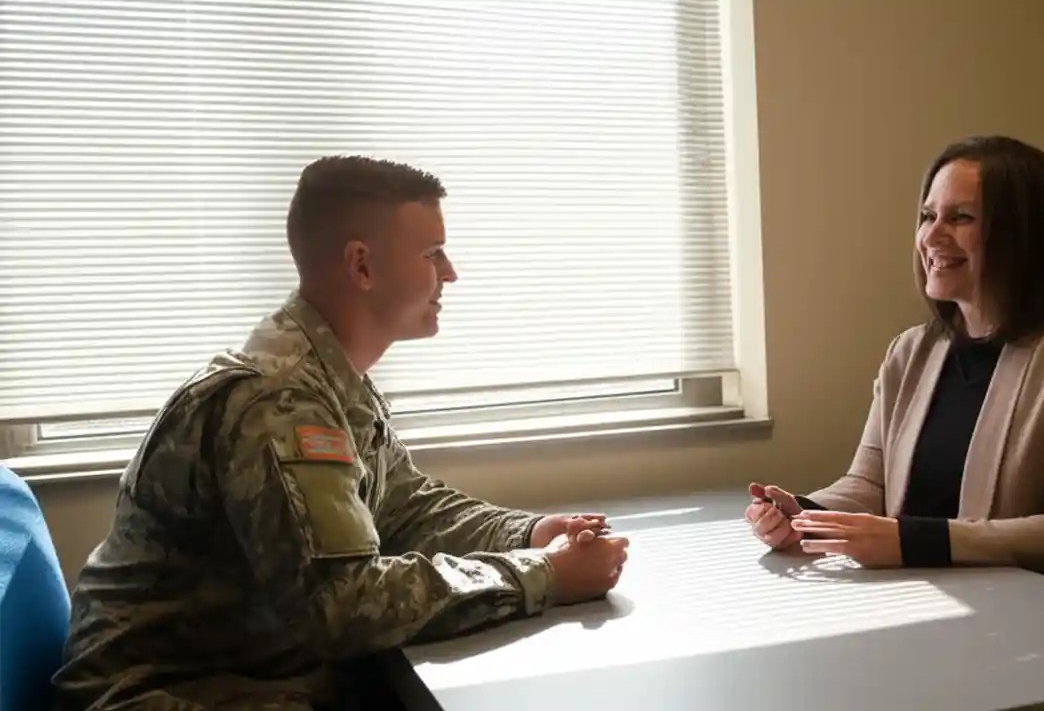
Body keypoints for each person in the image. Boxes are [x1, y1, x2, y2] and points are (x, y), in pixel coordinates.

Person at [54, 156, 631, 710]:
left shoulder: (327, 374)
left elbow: (402, 507)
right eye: (433, 253)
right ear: (361, 266)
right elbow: (345, 604)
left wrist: (525, 533)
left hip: (256, 677)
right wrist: (545, 576)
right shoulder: (278, 399)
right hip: (169, 693)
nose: (450, 272)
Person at [745, 135, 1044, 591]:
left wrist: (913, 540)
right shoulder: (911, 351)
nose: (931, 236)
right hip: (949, 599)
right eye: (928, 216)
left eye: (960, 218)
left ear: (1024, 235)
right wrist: (804, 517)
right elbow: (870, 485)